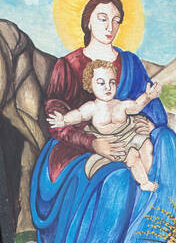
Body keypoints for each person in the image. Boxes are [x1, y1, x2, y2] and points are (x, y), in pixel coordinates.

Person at [31, 0, 176, 243]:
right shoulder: (68, 65)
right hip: (77, 150)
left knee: (168, 144)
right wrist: (93, 144)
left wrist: (145, 121)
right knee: (117, 178)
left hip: (126, 138)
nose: (110, 26)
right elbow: (57, 123)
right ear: (88, 20)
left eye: (116, 20)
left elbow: (152, 108)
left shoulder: (129, 63)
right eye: (103, 18)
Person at [47, 59, 162, 192]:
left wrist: (148, 96)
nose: (107, 87)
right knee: (133, 156)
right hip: (112, 142)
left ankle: (145, 176)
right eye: (101, 83)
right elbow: (79, 115)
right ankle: (144, 182)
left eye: (111, 82)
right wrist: (64, 120)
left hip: (129, 134)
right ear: (90, 85)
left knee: (147, 147)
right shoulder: (92, 107)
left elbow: (136, 106)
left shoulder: (120, 104)